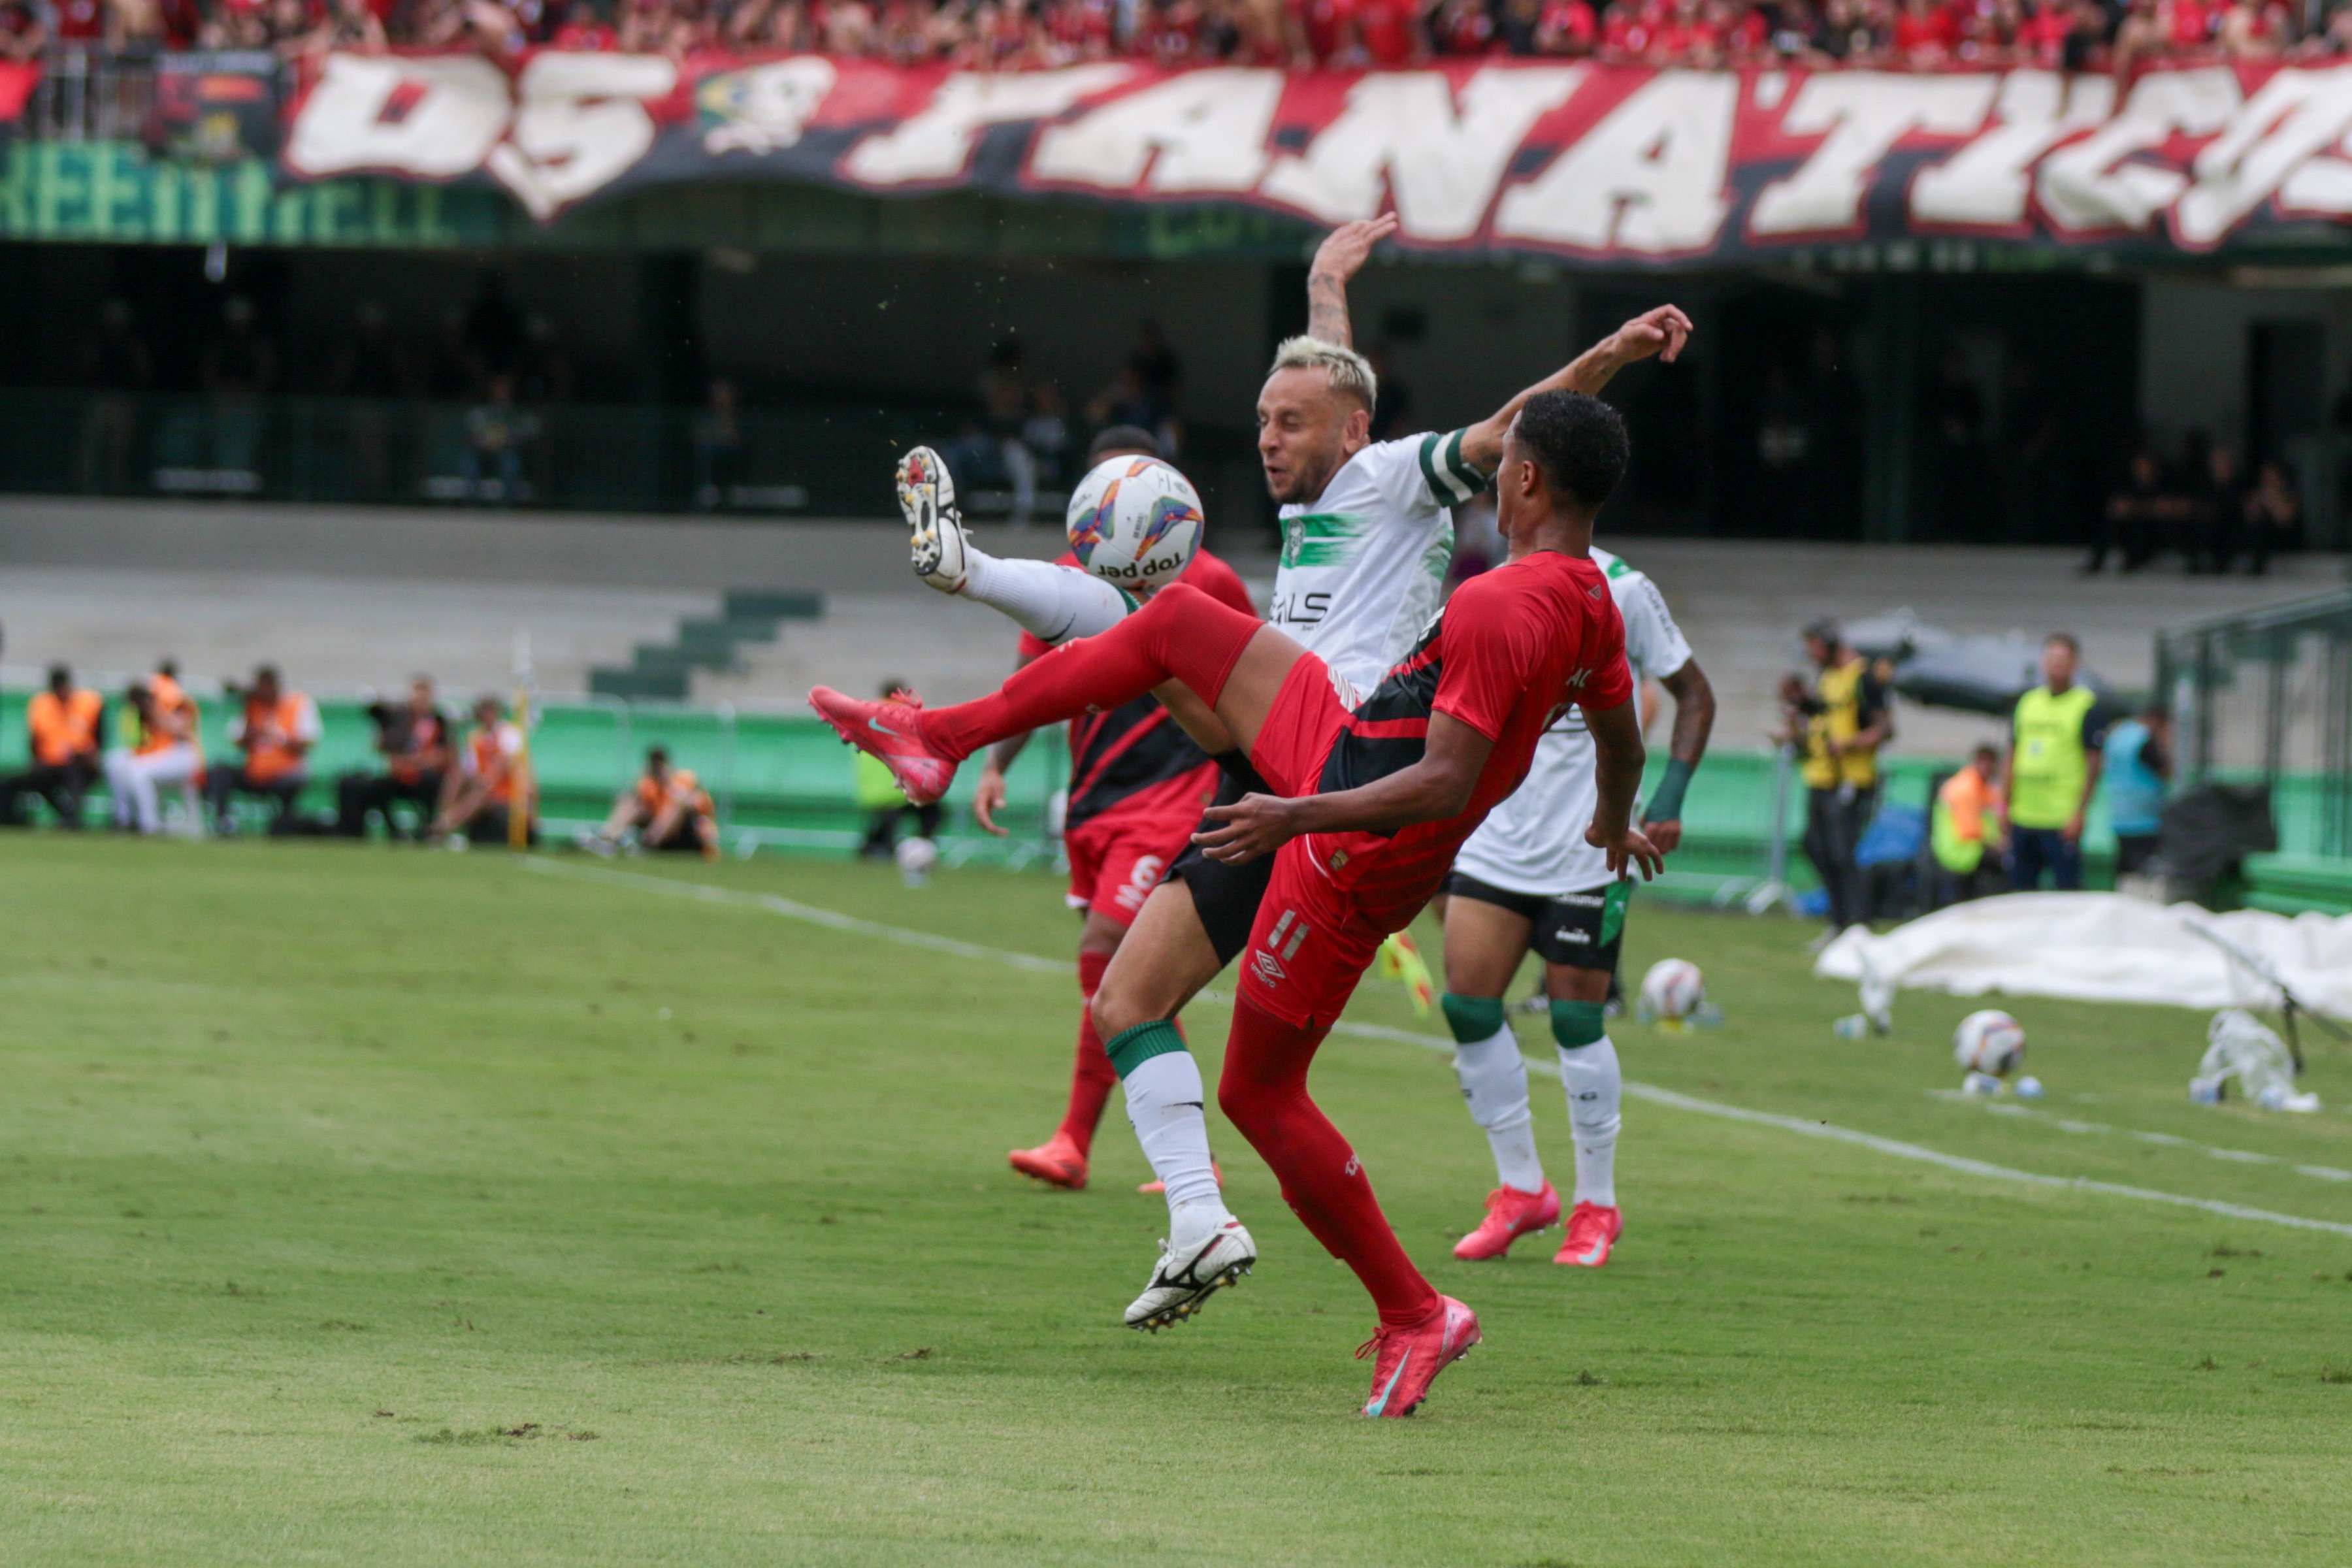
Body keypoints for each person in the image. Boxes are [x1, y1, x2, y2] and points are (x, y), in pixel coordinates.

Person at [890, 213, 1687, 1337]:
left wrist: (1609, 352)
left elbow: (1508, 428)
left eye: (1287, 422)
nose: (1267, 436)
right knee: (1130, 1001)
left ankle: (967, 616)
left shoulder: (1388, 479)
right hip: (1274, 769)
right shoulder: (1322, 494)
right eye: (1262, 419)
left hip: (1338, 756)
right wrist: (1323, 282)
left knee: (1169, 619)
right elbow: (1328, 381)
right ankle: (1201, 1224)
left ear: (1353, 429)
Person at [952, 427, 1259, 1194]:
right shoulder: (1059, 581)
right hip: (1095, 800)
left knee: (1110, 949)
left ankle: (1080, 1142)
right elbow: (1033, 678)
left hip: (1176, 796)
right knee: (1122, 975)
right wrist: (995, 767)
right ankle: (1154, 1150)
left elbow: (1251, 679)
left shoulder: (1211, 579)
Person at [1439, 546, 1712, 1269]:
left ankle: (1597, 1205)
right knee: (1468, 1007)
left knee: (1574, 1021)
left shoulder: (1621, 589)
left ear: (1532, 477)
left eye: (1506, 469)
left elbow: (1696, 693)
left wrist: (1669, 801)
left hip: (1589, 845)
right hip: (1494, 840)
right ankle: (1521, 1189)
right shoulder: (1485, 590)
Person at [1791, 619, 1891, 939]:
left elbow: (1885, 729)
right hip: (1822, 777)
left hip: (1852, 780)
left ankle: (1857, 923)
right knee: (1814, 845)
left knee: (1841, 852)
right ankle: (1839, 919)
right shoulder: (1826, 677)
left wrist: (1848, 745)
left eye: (1815, 648)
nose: (1811, 655)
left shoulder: (1863, 676)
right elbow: (1821, 720)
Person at [2000, 632, 2105, 892]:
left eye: (2063, 660)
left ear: (2074, 665)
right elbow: (2012, 753)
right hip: (2024, 813)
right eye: (2052, 658)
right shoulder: (2028, 703)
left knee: (2065, 891)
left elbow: (2094, 763)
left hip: (2060, 817)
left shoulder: (2085, 705)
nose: (2056, 665)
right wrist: (2004, 802)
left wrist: (2080, 812)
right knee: (2020, 890)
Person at [207, 666, 322, 835]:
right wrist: (249, 715)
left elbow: (306, 744)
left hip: (285, 773)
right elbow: (238, 742)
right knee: (220, 771)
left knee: (293, 782)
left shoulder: (297, 703)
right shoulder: (254, 706)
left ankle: (283, 825)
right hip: (255, 772)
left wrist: (279, 737)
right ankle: (224, 822)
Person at [338, 679, 451, 840]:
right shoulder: (402, 721)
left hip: (425, 776)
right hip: (401, 775)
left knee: (431, 784)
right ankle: (394, 830)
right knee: (378, 786)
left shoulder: (438, 721)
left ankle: (427, 829)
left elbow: (442, 755)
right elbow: (384, 748)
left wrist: (414, 763)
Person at [103, 661, 203, 836]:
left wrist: (155, 711)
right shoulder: (148, 706)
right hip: (161, 754)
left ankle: (150, 825)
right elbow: (139, 741)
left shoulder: (175, 700)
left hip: (183, 755)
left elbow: (180, 730)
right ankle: (124, 818)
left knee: (140, 773)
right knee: (115, 762)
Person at [1, 664, 105, 828]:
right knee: (18, 780)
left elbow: (100, 737)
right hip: (49, 762)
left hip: (78, 762)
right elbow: (34, 739)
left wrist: (91, 756)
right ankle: (12, 818)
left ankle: (73, 818)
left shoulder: (89, 702)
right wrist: (36, 760)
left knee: (75, 777)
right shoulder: (41, 705)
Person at [856, 679, 945, 860]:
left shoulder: (862, 717)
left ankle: (873, 846)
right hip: (898, 790)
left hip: (870, 791)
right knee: (933, 813)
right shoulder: (904, 716)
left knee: (886, 820)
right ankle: (920, 846)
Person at [580, 745, 719, 859]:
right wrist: (641, 779)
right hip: (660, 828)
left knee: (677, 806)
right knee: (633, 802)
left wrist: (668, 783)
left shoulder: (684, 778)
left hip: (687, 831)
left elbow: (696, 803)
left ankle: (647, 844)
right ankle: (607, 837)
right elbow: (628, 802)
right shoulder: (649, 784)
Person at [431, 696, 532, 845]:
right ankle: (443, 818)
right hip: (484, 790)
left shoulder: (509, 733)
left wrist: (485, 782)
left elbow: (505, 767)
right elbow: (468, 770)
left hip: (507, 795)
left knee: (481, 794)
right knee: (456, 779)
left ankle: (444, 826)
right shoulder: (476, 737)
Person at [1929, 744, 2005, 907]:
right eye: (1984, 762)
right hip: (1960, 852)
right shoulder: (1966, 789)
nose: (1988, 768)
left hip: (1971, 848)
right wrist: (2000, 844)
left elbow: (1997, 815)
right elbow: (1970, 831)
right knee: (2009, 864)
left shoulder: (1984, 787)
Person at [2102, 705, 2170, 877]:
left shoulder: (2118, 734)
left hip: (2119, 814)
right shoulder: (2145, 739)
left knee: (2123, 868)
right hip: (2144, 819)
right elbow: (2164, 772)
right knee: (2141, 872)